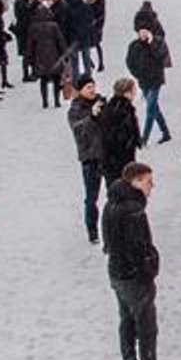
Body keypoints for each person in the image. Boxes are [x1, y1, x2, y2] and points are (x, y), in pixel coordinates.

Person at [102, 161, 181, 360]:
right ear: (135, 182)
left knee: (127, 325)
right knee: (146, 329)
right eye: (148, 181)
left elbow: (110, 242)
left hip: (117, 273)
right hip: (134, 278)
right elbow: (138, 248)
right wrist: (150, 266)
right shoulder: (132, 210)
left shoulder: (111, 204)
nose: (152, 186)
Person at [66, 75, 106, 244]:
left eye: (93, 86)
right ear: (80, 90)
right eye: (88, 87)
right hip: (90, 158)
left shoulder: (103, 103)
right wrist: (92, 116)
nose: (92, 90)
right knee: (91, 198)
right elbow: (80, 131)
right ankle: (92, 231)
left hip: (107, 155)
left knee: (114, 194)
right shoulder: (75, 110)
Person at [125, 27, 172, 145]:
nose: (144, 34)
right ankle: (165, 132)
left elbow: (161, 58)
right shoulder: (134, 46)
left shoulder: (156, 44)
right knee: (154, 108)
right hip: (143, 81)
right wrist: (137, 74)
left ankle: (144, 138)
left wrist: (152, 45)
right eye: (141, 32)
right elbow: (129, 62)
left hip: (156, 80)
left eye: (146, 32)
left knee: (150, 109)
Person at [25, 0, 70, 109]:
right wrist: (65, 54)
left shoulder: (34, 27)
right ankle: (56, 101)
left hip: (40, 57)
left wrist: (29, 58)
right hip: (54, 56)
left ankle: (45, 101)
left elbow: (30, 44)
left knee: (43, 80)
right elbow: (61, 41)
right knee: (56, 79)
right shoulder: (54, 26)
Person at [97, 77, 141, 182]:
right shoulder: (123, 109)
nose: (135, 92)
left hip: (112, 160)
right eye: (134, 89)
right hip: (119, 161)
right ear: (127, 92)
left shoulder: (113, 106)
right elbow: (120, 135)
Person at [58, 0, 94, 77]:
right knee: (86, 60)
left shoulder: (68, 8)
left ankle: (76, 81)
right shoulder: (86, 6)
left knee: (75, 63)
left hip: (73, 38)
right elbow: (91, 20)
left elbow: (65, 24)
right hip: (85, 37)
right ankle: (88, 78)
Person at [11, 0, 36, 83]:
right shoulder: (22, 4)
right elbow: (26, 15)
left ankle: (29, 73)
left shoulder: (19, 4)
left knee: (27, 54)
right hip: (25, 33)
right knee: (28, 54)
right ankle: (27, 74)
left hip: (23, 33)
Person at [85, 0, 108, 72]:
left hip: (97, 25)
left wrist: (96, 21)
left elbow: (101, 13)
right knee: (88, 43)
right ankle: (90, 62)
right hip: (89, 25)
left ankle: (101, 63)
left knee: (97, 44)